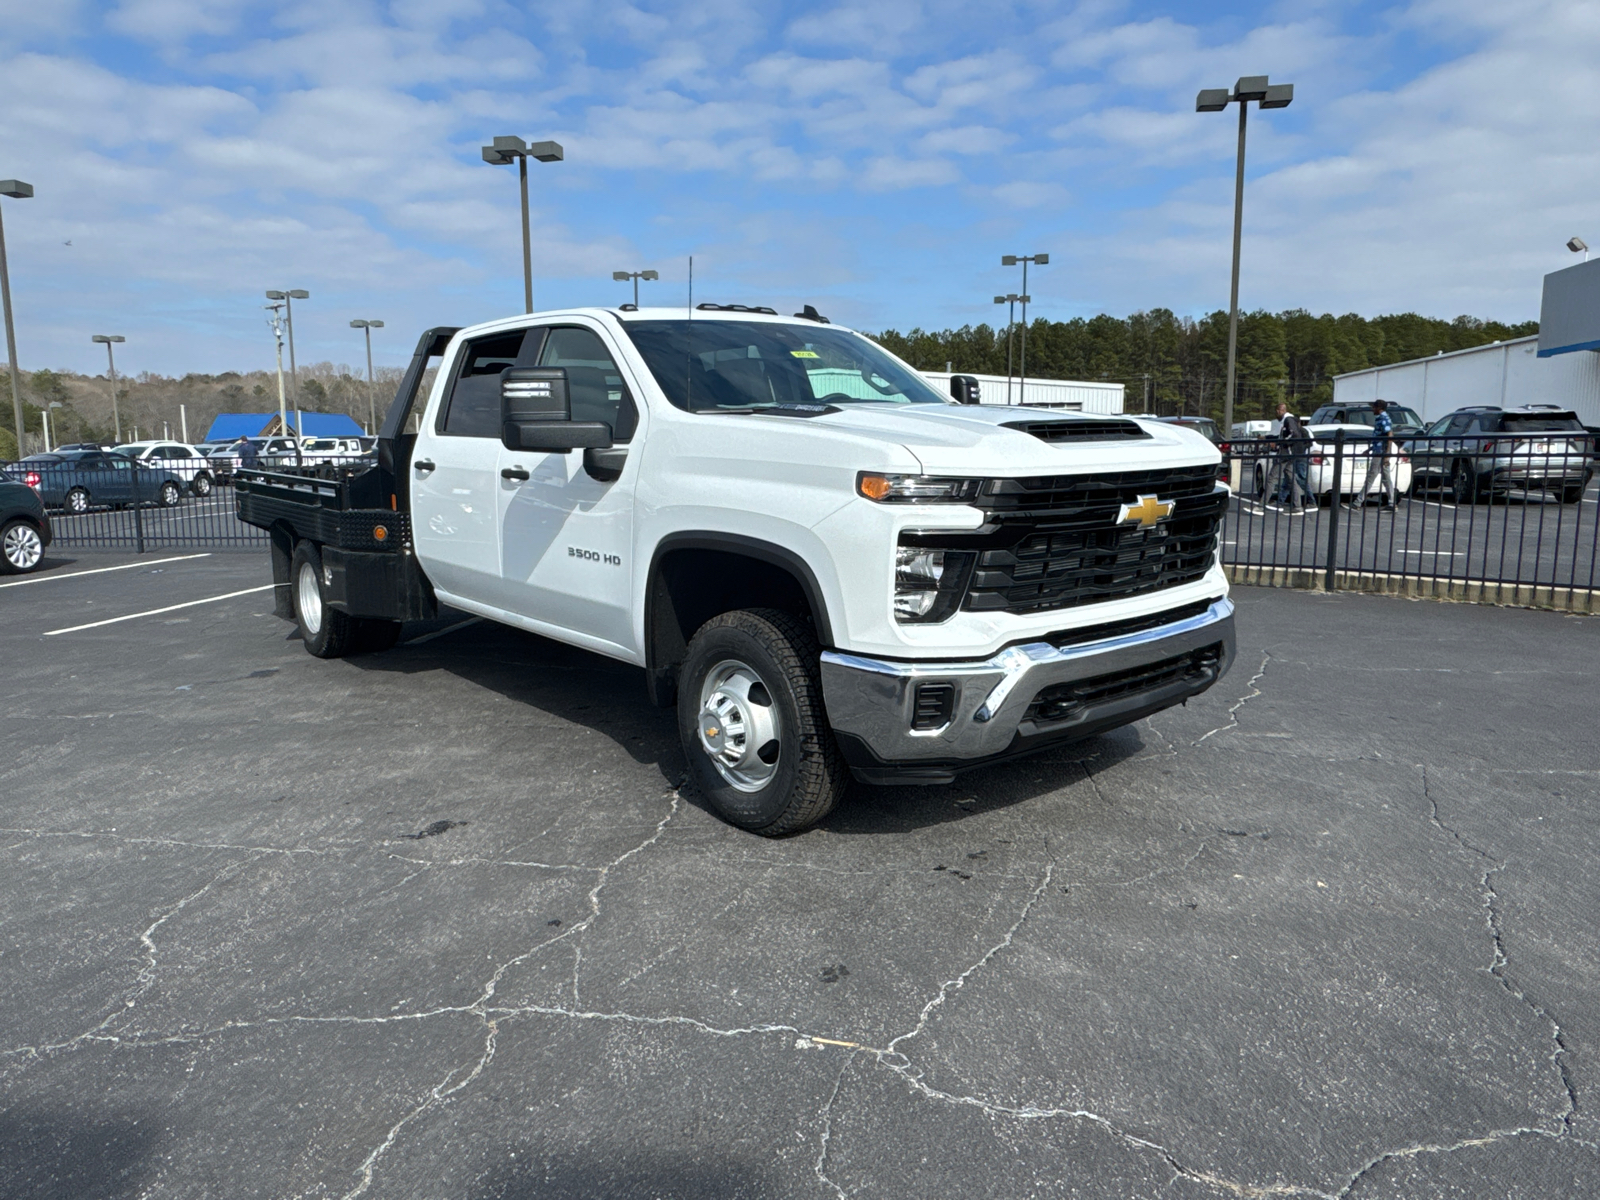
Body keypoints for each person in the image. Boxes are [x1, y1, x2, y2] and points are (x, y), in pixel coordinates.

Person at [1265, 401, 1312, 510]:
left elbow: (1293, 434)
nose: (1276, 415)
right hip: (1292, 454)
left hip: (1286, 454)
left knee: (1272, 477)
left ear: (1279, 411)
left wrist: (1283, 443)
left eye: (1276, 412)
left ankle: (1261, 505)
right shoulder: (1291, 420)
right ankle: (1297, 506)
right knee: (1291, 479)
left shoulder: (1288, 420)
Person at [1358, 398, 1398, 508]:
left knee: (1371, 476)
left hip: (1380, 452)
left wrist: (1387, 454)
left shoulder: (1383, 418)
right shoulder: (1381, 418)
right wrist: (1370, 449)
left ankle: (1357, 502)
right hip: (1379, 450)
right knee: (1386, 478)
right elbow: (1380, 437)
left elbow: (1389, 434)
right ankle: (1391, 502)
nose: (1372, 409)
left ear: (1379, 408)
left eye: (1374, 407)